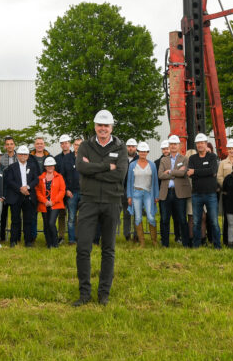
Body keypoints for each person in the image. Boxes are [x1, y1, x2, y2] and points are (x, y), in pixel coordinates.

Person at [73, 109, 127, 307]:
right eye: (99, 125)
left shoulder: (120, 147)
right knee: (83, 248)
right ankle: (84, 294)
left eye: (106, 125)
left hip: (112, 201)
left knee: (108, 249)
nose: (102, 128)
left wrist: (93, 168)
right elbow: (81, 168)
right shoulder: (85, 146)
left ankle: (104, 294)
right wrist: (106, 166)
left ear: (111, 127)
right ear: (95, 127)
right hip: (89, 201)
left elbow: (120, 174)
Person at [187, 133, 221, 249]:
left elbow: (212, 171)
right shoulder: (192, 158)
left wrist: (196, 171)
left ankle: (217, 245)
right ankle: (196, 245)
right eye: (198, 143)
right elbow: (190, 174)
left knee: (214, 221)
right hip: (196, 194)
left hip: (211, 194)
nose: (200, 145)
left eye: (202, 143)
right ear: (196, 145)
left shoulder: (212, 157)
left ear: (206, 144)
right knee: (196, 222)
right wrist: (204, 172)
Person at [157, 135, 191, 248]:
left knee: (182, 219)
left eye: (175, 144)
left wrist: (170, 171)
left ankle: (185, 243)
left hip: (179, 193)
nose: (173, 146)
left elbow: (183, 173)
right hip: (166, 193)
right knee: (164, 219)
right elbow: (160, 175)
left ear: (179, 145)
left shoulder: (184, 159)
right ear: (169, 145)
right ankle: (165, 244)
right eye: (171, 144)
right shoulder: (163, 159)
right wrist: (175, 173)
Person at [5, 144, 40, 247]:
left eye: (25, 154)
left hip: (28, 196)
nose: (23, 156)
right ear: (17, 155)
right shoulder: (12, 167)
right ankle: (14, 240)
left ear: (28, 155)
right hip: (15, 196)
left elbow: (36, 179)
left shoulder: (32, 166)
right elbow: (9, 181)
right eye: (21, 154)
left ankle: (28, 241)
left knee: (28, 220)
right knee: (15, 220)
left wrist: (27, 187)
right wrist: (20, 188)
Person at [125, 142, 159, 246]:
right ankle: (142, 242)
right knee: (138, 218)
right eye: (141, 151)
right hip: (136, 193)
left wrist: (156, 195)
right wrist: (129, 196)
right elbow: (129, 181)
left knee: (151, 216)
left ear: (147, 152)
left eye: (145, 151)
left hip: (149, 194)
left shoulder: (152, 165)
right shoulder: (132, 165)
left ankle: (154, 241)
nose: (143, 153)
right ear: (138, 152)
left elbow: (155, 181)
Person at [37, 156, 67, 248]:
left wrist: (53, 201)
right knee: (46, 225)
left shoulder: (59, 177)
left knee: (51, 223)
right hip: (44, 204)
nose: (50, 167)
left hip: (55, 204)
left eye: (51, 165)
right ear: (45, 167)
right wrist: (44, 201)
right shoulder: (41, 178)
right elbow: (38, 191)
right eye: (48, 166)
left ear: (54, 166)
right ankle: (49, 243)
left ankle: (55, 243)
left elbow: (62, 191)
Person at [56, 135, 80, 245]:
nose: (64, 145)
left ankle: (75, 236)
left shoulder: (79, 157)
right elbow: (59, 175)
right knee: (62, 214)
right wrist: (64, 189)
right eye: (62, 143)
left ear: (69, 144)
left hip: (75, 191)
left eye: (66, 143)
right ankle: (61, 236)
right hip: (62, 191)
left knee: (73, 215)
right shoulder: (57, 158)